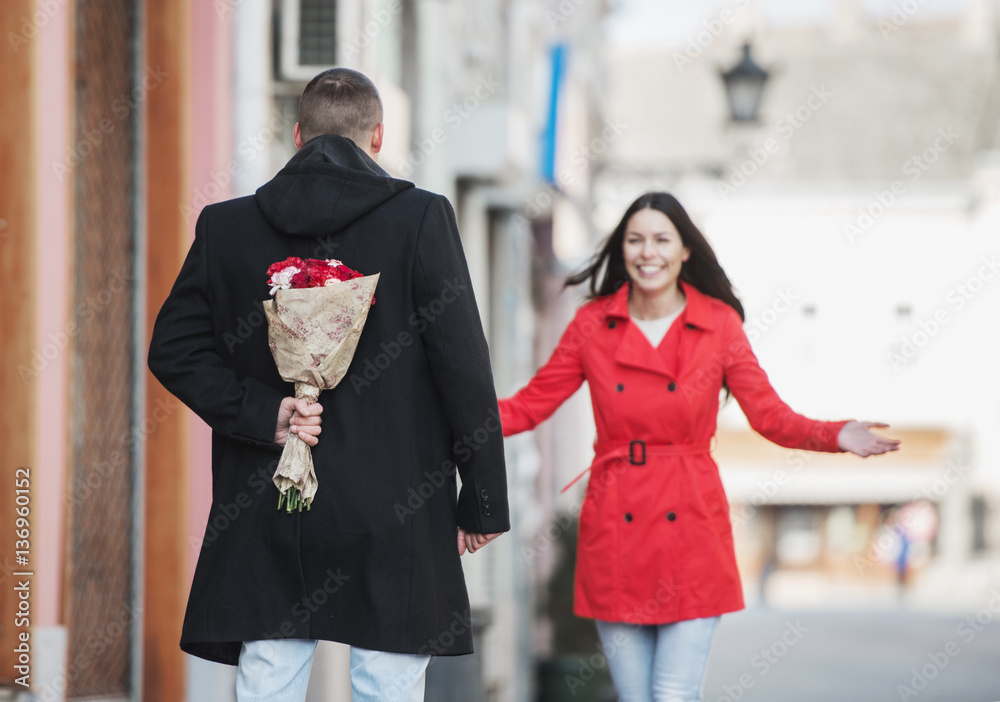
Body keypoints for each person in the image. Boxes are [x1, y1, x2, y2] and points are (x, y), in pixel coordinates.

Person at [148, 68, 508, 701]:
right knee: (388, 684)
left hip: (270, 494)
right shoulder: (421, 218)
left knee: (268, 680)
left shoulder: (225, 226)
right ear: (377, 137)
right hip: (397, 499)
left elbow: (173, 349)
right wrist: (481, 498)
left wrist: (265, 412)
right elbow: (463, 365)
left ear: (296, 135)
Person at [498, 192, 900, 702]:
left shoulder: (718, 324)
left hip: (689, 523)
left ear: (685, 250)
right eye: (635, 240)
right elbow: (531, 405)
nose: (649, 252)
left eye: (662, 240)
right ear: (622, 250)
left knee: (672, 696)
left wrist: (834, 433)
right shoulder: (593, 325)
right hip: (616, 527)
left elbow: (769, 416)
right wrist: (455, 423)